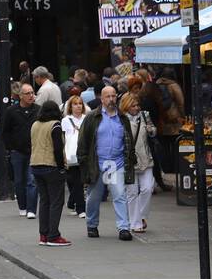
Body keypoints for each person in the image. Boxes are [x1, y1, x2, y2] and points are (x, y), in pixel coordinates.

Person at [77, 84, 136, 240]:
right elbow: (83, 141)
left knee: (119, 195)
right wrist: (83, 161)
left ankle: (123, 228)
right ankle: (92, 225)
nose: (111, 99)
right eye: (107, 96)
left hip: (116, 163)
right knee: (94, 197)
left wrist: (130, 159)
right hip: (97, 163)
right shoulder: (92, 117)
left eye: (113, 96)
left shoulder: (122, 118)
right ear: (101, 99)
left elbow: (128, 139)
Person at [30, 100, 68, 247]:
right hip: (51, 166)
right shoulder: (55, 126)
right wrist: (61, 168)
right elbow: (57, 149)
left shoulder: (35, 125)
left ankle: (43, 235)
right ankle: (53, 235)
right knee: (56, 201)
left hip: (35, 165)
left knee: (44, 201)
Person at [0, 83, 39, 218]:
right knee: (19, 180)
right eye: (27, 93)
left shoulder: (38, 110)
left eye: (32, 93)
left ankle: (31, 209)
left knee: (31, 180)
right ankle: (22, 206)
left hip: (34, 151)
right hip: (17, 151)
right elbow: (5, 132)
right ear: (21, 96)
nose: (31, 96)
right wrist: (11, 147)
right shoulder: (12, 111)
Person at [122, 92, 155, 234]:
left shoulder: (144, 115)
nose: (136, 108)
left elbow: (153, 131)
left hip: (145, 158)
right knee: (132, 192)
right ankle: (135, 223)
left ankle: (141, 216)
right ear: (126, 106)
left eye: (137, 105)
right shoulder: (120, 119)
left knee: (148, 188)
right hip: (129, 161)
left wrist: (151, 130)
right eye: (133, 105)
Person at [60, 94, 87, 218]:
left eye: (80, 103)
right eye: (75, 104)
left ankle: (80, 207)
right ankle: (76, 204)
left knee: (79, 182)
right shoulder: (66, 120)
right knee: (72, 180)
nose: (78, 106)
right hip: (71, 154)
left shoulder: (86, 118)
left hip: (84, 153)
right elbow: (64, 139)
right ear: (70, 107)